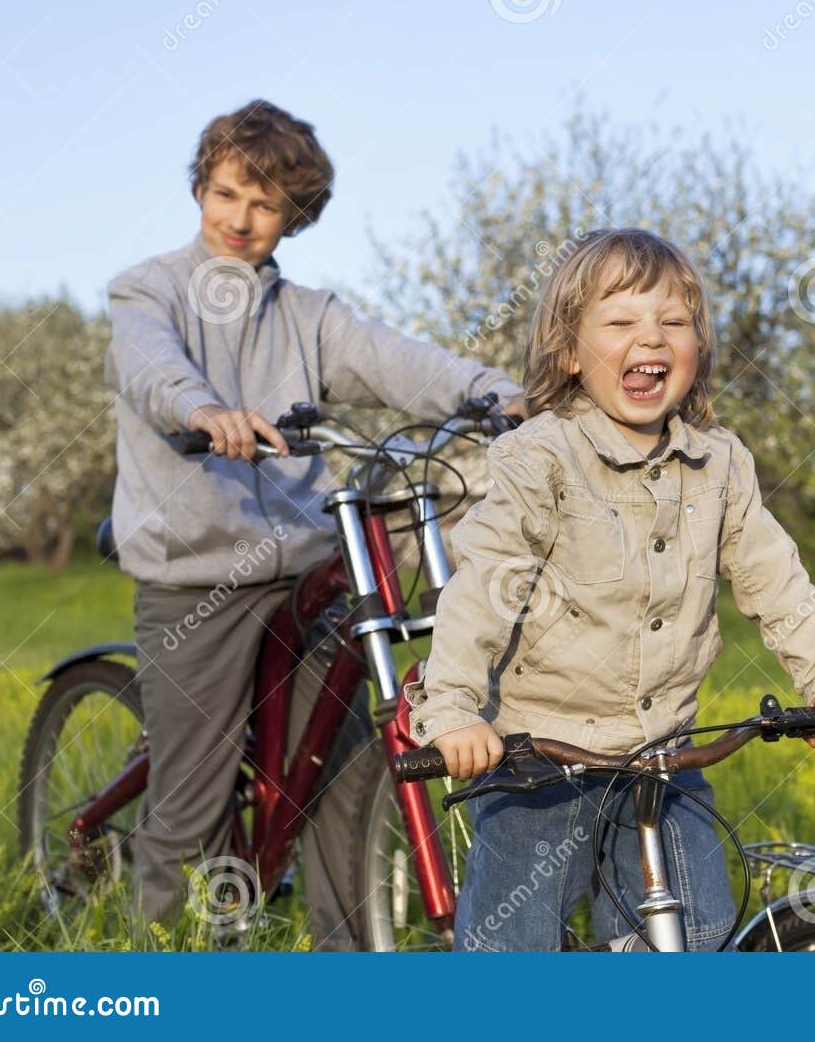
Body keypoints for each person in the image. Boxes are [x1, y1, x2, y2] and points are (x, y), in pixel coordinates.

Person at [106, 99, 524, 949]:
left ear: (292, 218)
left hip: (300, 562)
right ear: (200, 188)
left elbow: (401, 362)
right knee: (190, 798)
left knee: (341, 769)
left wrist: (496, 394)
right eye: (226, 193)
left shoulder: (310, 317)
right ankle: (136, 969)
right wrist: (203, 408)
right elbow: (153, 370)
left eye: (264, 205)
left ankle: (346, 962)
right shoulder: (147, 290)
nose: (240, 218)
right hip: (197, 574)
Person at [408, 228, 815, 950]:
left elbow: (774, 576)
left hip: (665, 755)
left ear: (697, 348)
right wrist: (453, 709)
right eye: (620, 321)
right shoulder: (541, 457)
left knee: (701, 927)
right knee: (511, 942)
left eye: (673, 322)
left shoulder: (720, 464)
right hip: (540, 756)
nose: (649, 338)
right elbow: (485, 586)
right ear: (570, 350)